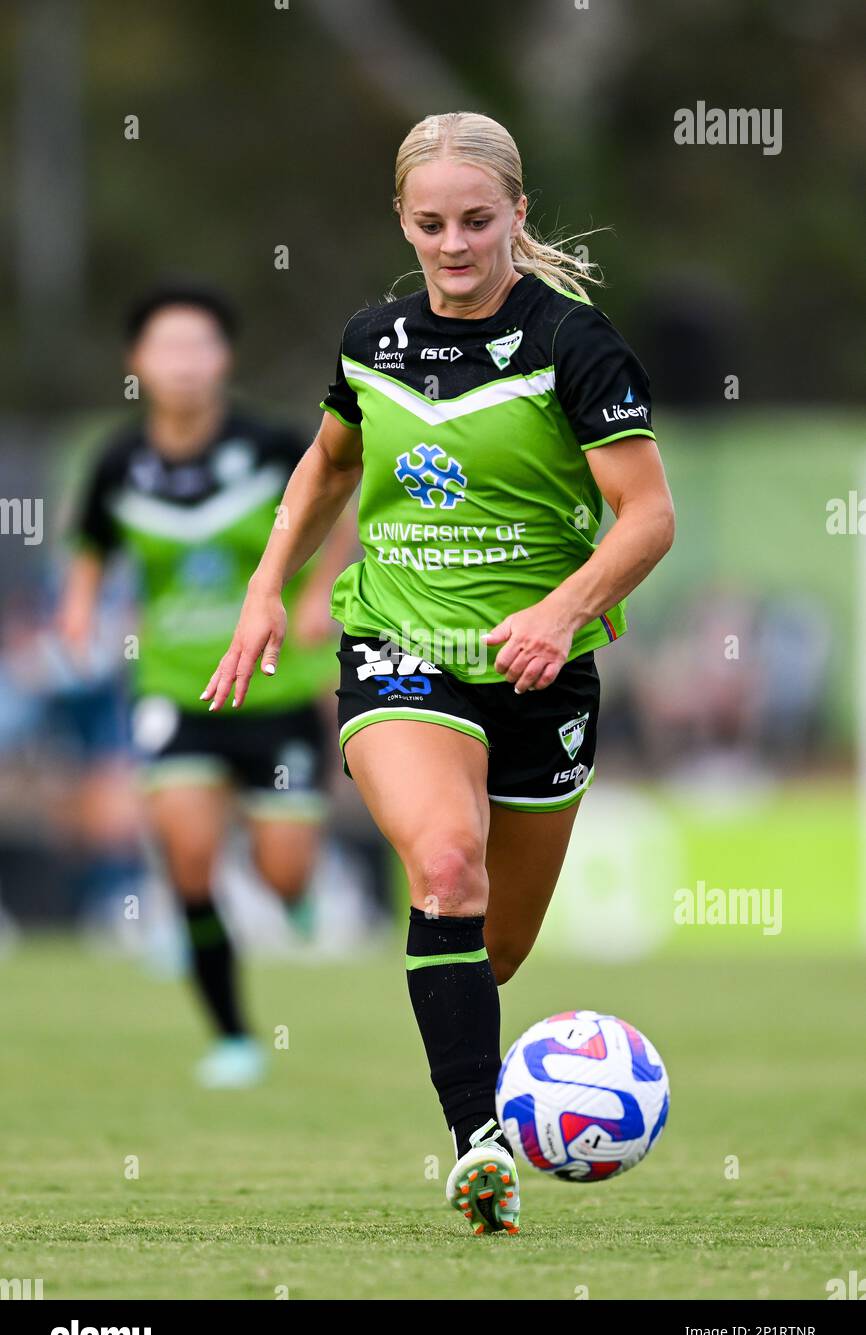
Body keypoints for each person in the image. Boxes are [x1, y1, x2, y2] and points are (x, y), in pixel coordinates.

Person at [202, 112, 675, 1228]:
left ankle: (485, 1077)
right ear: (402, 224)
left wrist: (563, 612)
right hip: (397, 644)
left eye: (475, 220)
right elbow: (328, 466)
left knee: (492, 945)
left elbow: (646, 518)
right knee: (446, 869)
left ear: (516, 213)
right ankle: (477, 1144)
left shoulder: (575, 344)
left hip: (540, 672)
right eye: (430, 224)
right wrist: (270, 582)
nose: (454, 244)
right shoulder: (372, 339)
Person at [58, 282, 356, 1088]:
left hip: (276, 685)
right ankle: (232, 1037)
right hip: (176, 691)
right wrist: (81, 611)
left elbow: (339, 503)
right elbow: (91, 545)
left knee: (283, 869)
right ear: (138, 363)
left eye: (200, 346)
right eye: (167, 347)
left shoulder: (269, 443)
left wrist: (326, 588)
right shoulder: (119, 460)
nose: (185, 363)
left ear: (223, 358)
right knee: (189, 859)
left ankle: (290, 892)